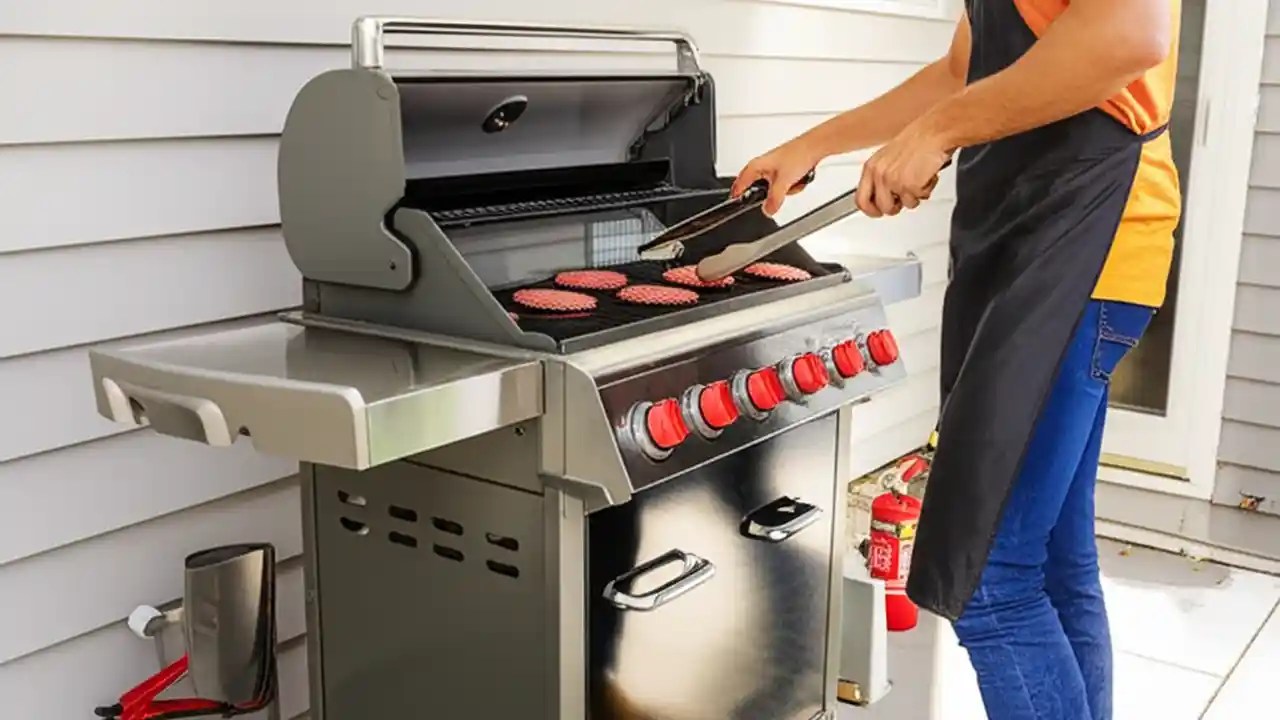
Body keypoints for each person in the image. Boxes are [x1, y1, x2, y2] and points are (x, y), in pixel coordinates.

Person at [732, 1, 1182, 718]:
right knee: (1058, 566)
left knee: (991, 579)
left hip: (1083, 240)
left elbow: (1129, 35)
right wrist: (818, 145)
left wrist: (936, 134)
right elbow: (961, 70)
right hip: (1037, 240)